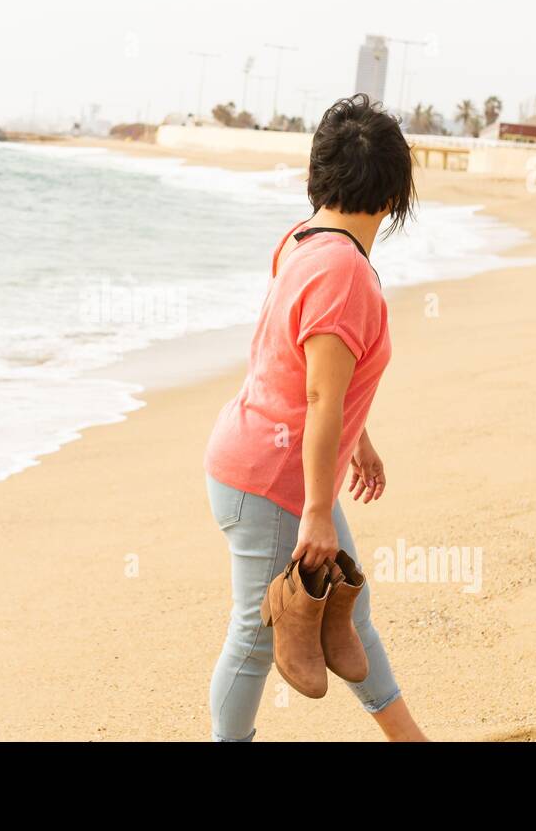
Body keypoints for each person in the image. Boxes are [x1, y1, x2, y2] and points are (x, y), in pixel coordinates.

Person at [203, 94, 427, 742]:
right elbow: (324, 398)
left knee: (348, 617)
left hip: (261, 461)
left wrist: (358, 441)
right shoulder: (345, 272)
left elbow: (314, 376)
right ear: (392, 194)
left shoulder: (303, 239)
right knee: (254, 636)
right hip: (274, 482)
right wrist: (318, 510)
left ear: (319, 174)